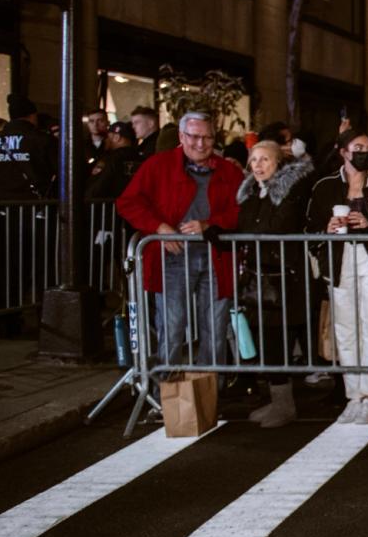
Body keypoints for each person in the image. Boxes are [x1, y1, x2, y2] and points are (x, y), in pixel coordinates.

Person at [116, 111, 243, 369]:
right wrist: (159, 227)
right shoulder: (157, 166)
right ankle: (167, 397)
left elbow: (243, 210)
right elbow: (128, 202)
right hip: (172, 258)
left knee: (215, 331)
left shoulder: (229, 171)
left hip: (216, 257)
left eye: (207, 137)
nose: (201, 144)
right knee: (171, 329)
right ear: (182, 137)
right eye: (194, 137)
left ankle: (208, 396)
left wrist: (210, 225)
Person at [306, 129, 368, 424]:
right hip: (339, 262)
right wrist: (327, 226)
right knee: (345, 329)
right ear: (343, 151)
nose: (363, 151)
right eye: (357, 146)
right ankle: (353, 395)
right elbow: (309, 228)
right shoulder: (325, 186)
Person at [236, 140, 315, 427]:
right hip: (259, 277)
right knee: (265, 340)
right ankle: (278, 401)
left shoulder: (289, 191)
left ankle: (284, 405)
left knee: (278, 340)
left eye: (265, 159)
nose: (257, 165)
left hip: (285, 278)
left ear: (278, 163)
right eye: (253, 159)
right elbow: (245, 226)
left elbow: (277, 227)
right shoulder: (252, 194)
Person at [86, 121, 144, 199]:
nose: (106, 140)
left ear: (116, 138)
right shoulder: (142, 159)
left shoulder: (110, 160)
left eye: (108, 136)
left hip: (108, 208)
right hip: (135, 207)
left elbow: (96, 189)